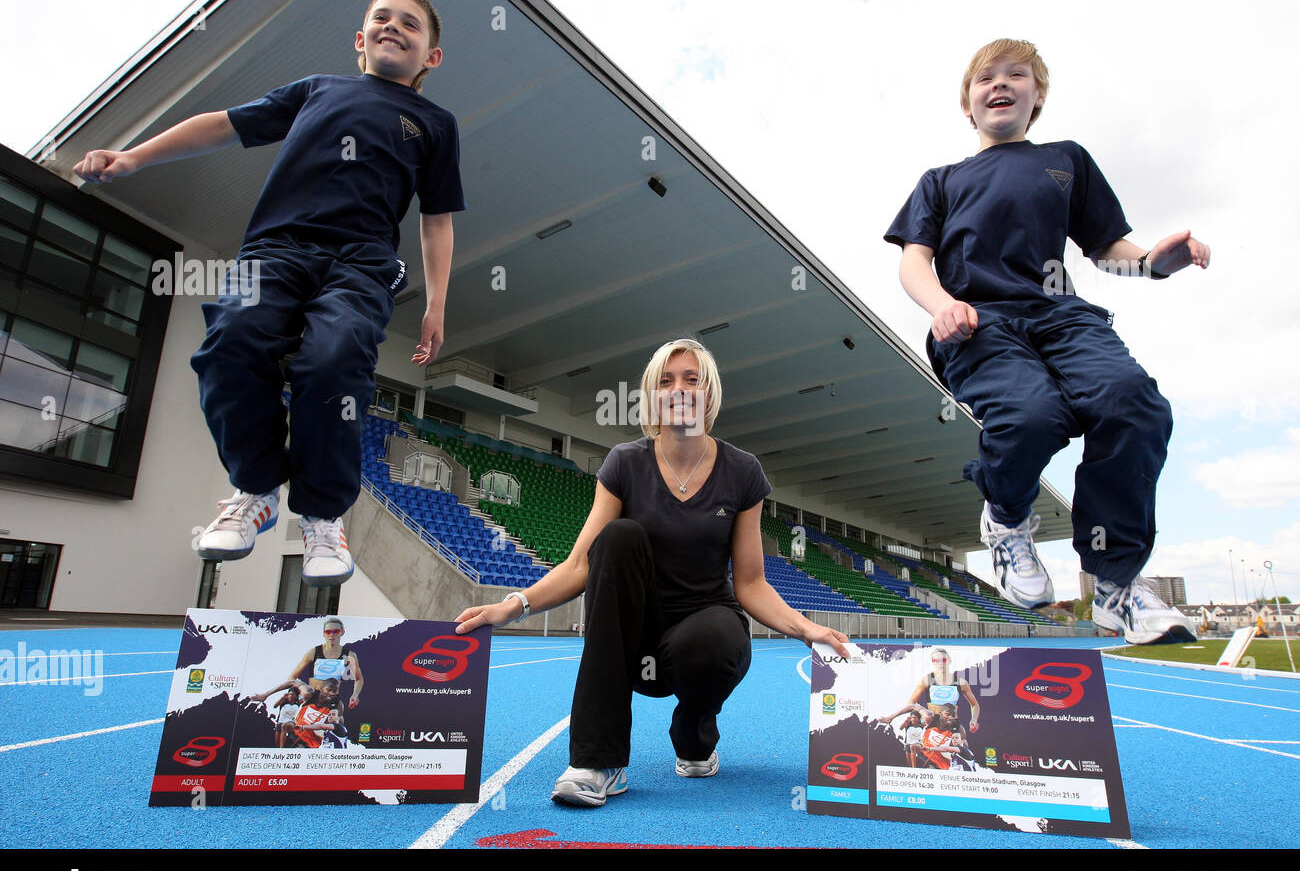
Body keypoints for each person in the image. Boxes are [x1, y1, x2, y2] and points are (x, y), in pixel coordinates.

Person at [72, 0, 464, 586]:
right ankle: (255, 488)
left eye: (410, 25)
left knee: (333, 362)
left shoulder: (435, 123)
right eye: (381, 18)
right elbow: (222, 126)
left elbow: (436, 220)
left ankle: (322, 512)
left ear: (431, 57)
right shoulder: (318, 90)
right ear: (360, 41)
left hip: (360, 263)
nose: (394, 27)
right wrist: (134, 157)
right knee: (229, 344)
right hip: (275, 250)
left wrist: (437, 303)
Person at [885, 38, 1209, 645]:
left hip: (1062, 316)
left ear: (1037, 98)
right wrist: (942, 305)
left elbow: (1109, 249)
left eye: (1017, 75)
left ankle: (1115, 584)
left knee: (1132, 402)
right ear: (967, 103)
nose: (1000, 84)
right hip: (979, 323)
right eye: (986, 78)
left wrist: (1154, 264)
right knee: (1031, 417)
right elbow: (913, 262)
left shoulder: (1065, 161)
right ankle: (1007, 520)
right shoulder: (941, 181)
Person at [454, 338, 851, 806]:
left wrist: (806, 629)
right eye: (666, 381)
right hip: (632, 641)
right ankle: (599, 762)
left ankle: (694, 735)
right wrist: (513, 605)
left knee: (716, 642)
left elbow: (750, 582)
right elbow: (581, 563)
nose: (679, 389)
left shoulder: (743, 472)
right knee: (618, 537)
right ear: (652, 396)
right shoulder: (625, 462)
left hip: (702, 636)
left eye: (691, 379)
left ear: (709, 395)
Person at [248, 616, 365, 710]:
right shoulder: (314, 652)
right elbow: (292, 677)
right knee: (297, 685)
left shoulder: (349, 655)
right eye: (328, 632)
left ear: (342, 632)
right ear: (324, 634)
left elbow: (358, 678)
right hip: (311, 694)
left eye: (336, 631)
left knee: (339, 714)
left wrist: (355, 695)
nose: (332, 635)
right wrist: (295, 694)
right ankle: (265, 695)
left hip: (329, 698)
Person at [874, 647, 981, 733]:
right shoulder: (927, 680)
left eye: (943, 660)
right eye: (936, 660)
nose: (940, 663)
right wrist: (921, 716)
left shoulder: (961, 682)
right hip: (932, 720)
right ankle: (889, 718)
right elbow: (911, 703)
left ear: (949, 661)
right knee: (916, 709)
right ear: (933, 662)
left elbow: (974, 704)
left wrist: (974, 719)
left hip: (949, 721)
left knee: (962, 739)